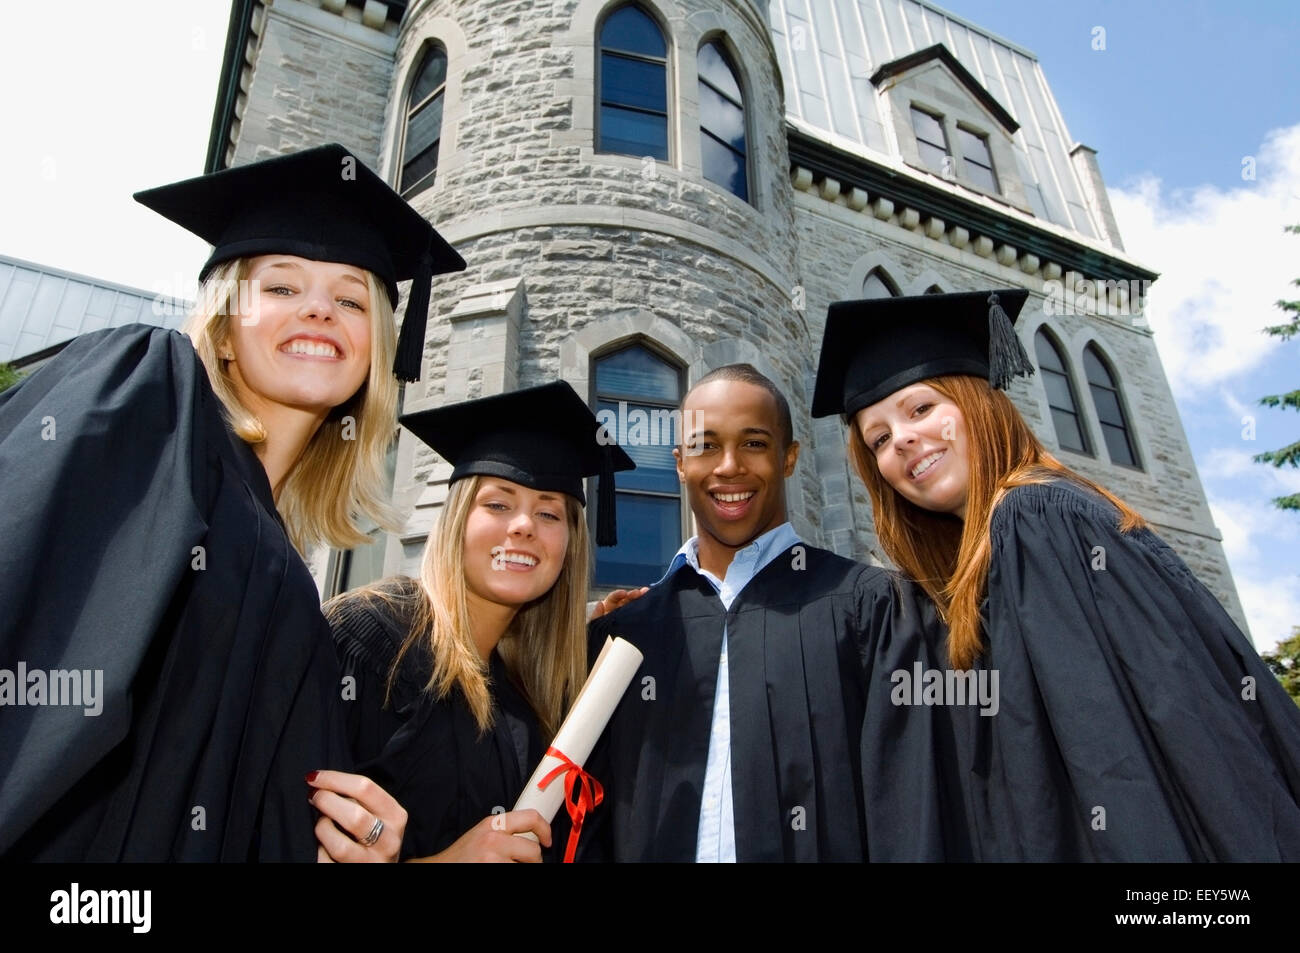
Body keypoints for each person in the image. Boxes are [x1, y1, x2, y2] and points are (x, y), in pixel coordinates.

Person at [0, 143, 464, 861]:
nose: (319, 308)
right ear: (224, 323)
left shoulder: (294, 589)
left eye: (350, 298)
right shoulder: (149, 392)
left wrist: (347, 846)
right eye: (281, 287)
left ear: (378, 346)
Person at [811, 288, 1300, 861]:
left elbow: (1111, 758)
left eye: (921, 409)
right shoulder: (1011, 539)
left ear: (978, 402)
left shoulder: (1033, 518)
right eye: (879, 440)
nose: (903, 441)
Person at [580, 364, 961, 862]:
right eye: (705, 445)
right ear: (678, 462)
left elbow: (913, 810)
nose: (729, 466)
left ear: (789, 457)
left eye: (755, 443)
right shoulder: (626, 635)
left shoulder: (873, 608)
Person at [322, 381, 635, 862]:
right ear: (456, 519)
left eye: (550, 513)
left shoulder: (529, 702)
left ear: (569, 546)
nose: (525, 526)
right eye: (498, 503)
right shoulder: (370, 640)